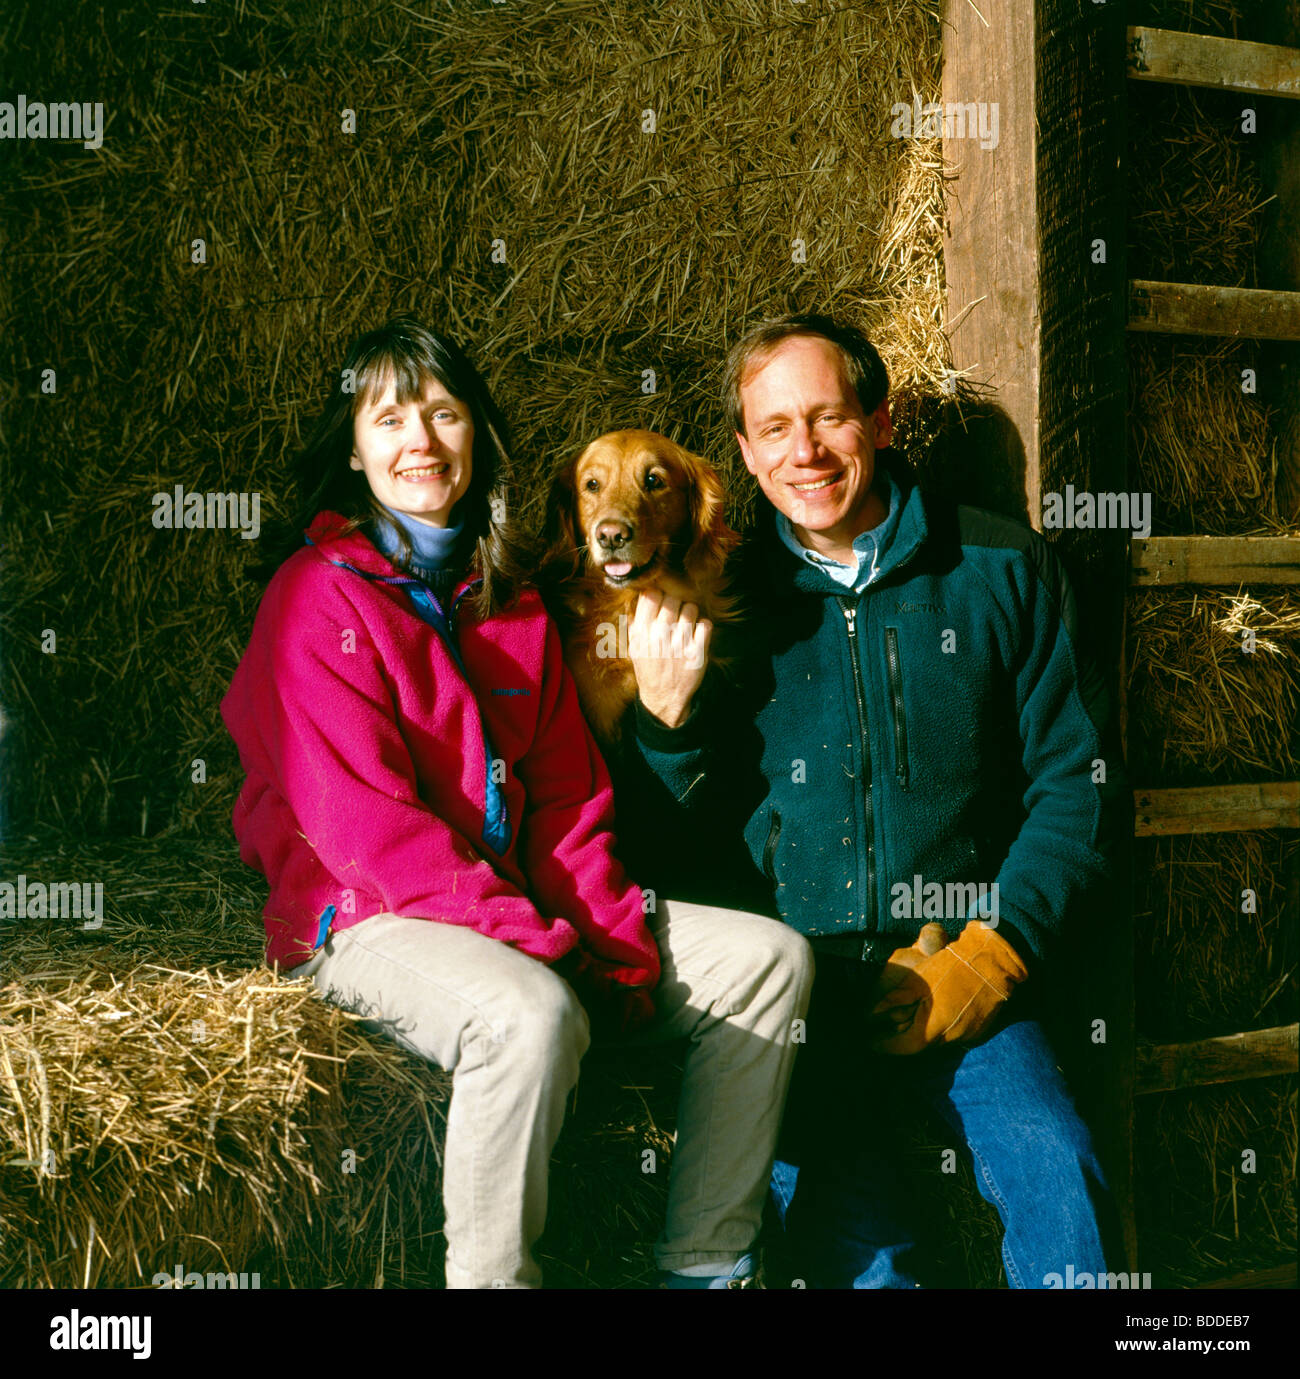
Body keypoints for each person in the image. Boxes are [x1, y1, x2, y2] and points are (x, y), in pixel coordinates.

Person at [219, 316, 812, 1289]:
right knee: (529, 1015)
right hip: (363, 916)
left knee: (768, 962)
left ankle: (706, 1264)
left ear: (477, 436)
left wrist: (613, 942)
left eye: (444, 413)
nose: (420, 440)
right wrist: (542, 941)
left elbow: (568, 805)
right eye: (390, 417)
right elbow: (364, 830)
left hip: (520, 906)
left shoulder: (513, 603)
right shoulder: (315, 598)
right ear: (355, 446)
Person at [616, 312, 1130, 1288]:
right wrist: (665, 730)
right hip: (802, 993)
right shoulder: (717, 605)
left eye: (827, 418)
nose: (803, 451)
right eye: (774, 428)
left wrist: (994, 950)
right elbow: (657, 849)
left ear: (880, 421)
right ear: (743, 450)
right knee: (864, 1252)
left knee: (1059, 1172)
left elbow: (1080, 788)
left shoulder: (999, 569)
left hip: (961, 964)